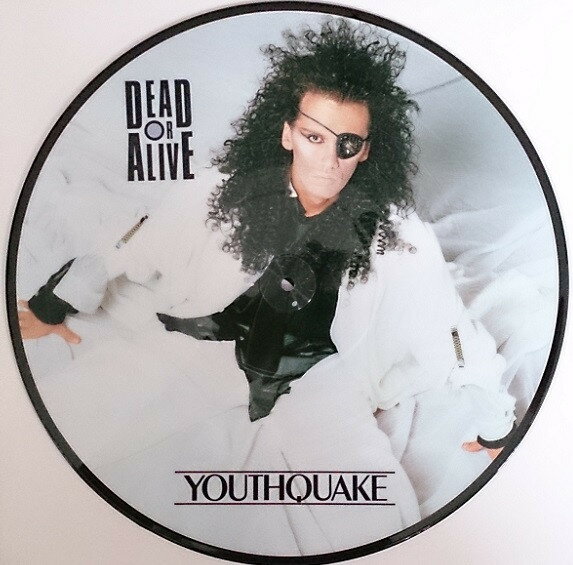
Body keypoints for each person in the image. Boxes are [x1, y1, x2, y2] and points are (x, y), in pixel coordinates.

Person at [18, 19, 515, 554]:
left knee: (379, 525)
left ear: (368, 150)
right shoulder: (224, 190)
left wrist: (497, 424)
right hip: (207, 348)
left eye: (347, 144)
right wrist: (53, 302)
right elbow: (135, 244)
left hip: (325, 381)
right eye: (314, 137)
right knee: (63, 439)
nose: (329, 160)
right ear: (287, 133)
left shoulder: (400, 233)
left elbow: (448, 330)